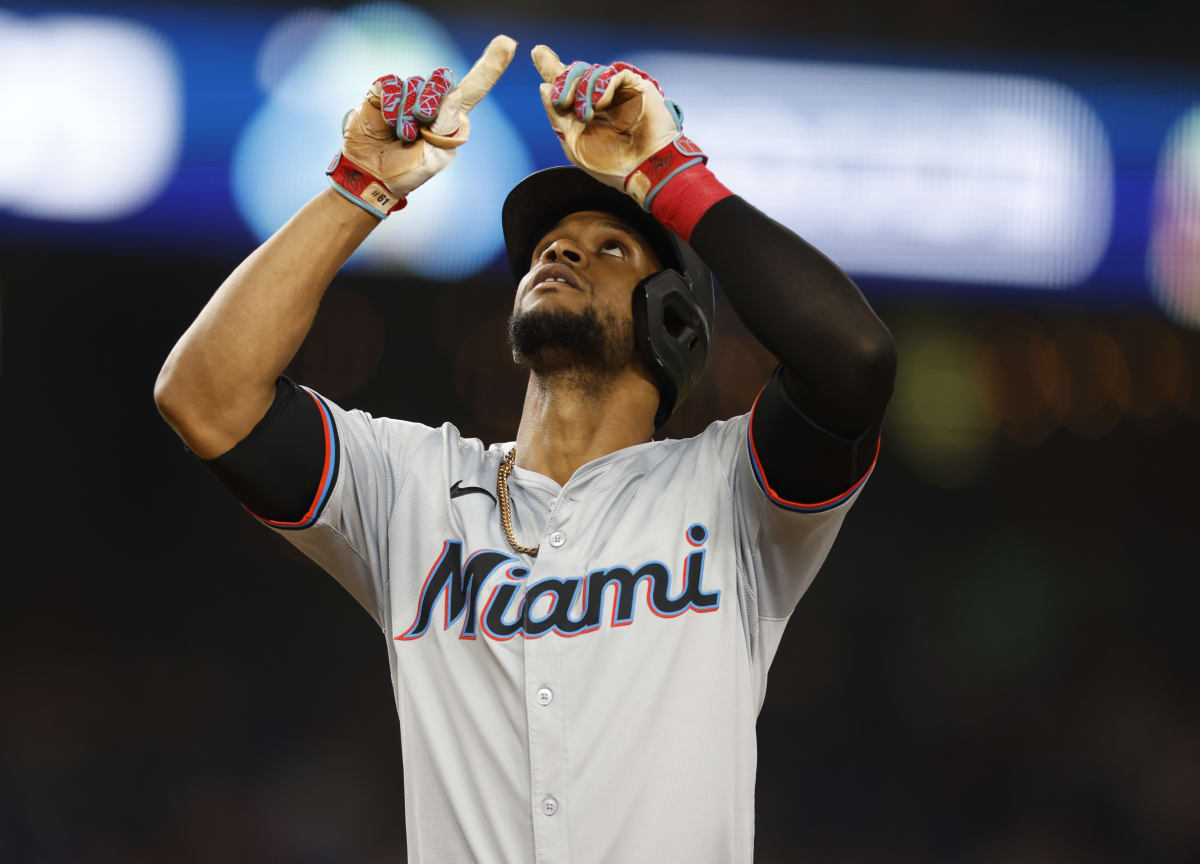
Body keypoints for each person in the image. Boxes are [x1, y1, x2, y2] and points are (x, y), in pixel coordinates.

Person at [155, 34, 895, 864]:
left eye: (612, 247)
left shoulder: (731, 490)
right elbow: (204, 396)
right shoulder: (413, 487)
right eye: (547, 247)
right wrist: (358, 189)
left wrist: (670, 175)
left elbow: (854, 360)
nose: (562, 250)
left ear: (676, 323)